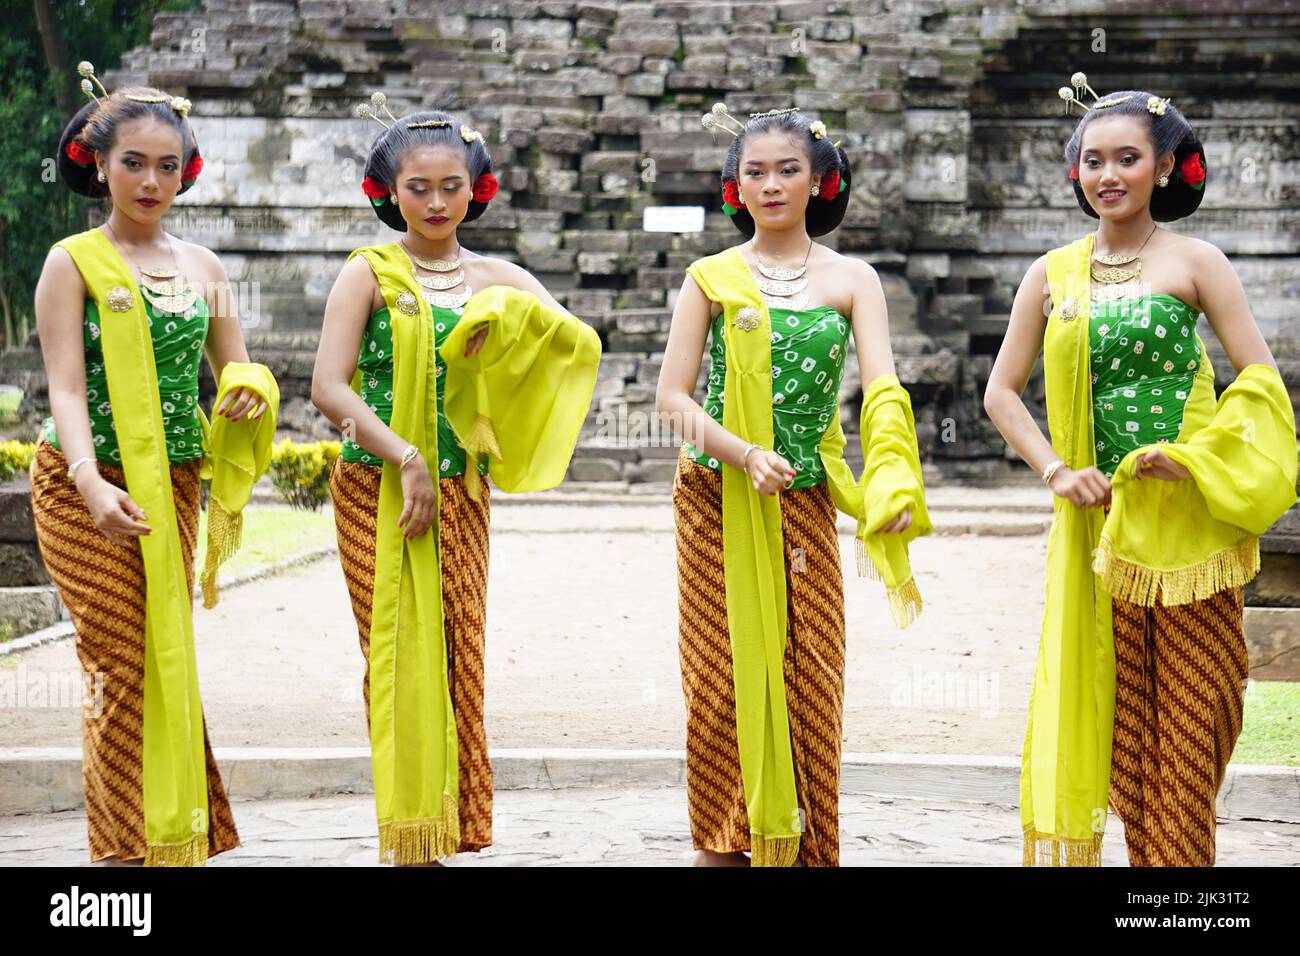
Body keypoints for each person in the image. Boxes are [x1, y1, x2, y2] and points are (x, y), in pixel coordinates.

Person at [984, 73, 1296, 866]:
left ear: (1164, 168)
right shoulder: (1051, 274)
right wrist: (1058, 471)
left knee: (1198, 717)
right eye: (1092, 160)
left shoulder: (1196, 261)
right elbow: (1000, 393)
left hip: (1190, 525)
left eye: (1127, 158)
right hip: (1098, 528)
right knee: (1122, 733)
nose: (1108, 175)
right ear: (1076, 173)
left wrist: (1194, 460)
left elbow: (1261, 386)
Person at [312, 93, 600, 866]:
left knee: (458, 652)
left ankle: (450, 824)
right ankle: (407, 834)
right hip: (378, 488)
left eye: (451, 186)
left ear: (477, 188)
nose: (436, 202)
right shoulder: (367, 274)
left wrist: (501, 345)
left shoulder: (499, 277)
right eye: (418, 188)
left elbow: (572, 349)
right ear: (388, 193)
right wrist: (405, 456)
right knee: (395, 651)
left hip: (460, 492)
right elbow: (329, 388)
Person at [655, 104, 932, 867]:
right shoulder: (709, 277)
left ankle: (805, 844)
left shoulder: (853, 280)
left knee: (809, 672)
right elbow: (671, 402)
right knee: (720, 675)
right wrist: (744, 454)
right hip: (716, 496)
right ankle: (721, 846)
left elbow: (883, 390)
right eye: (755, 172)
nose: (771, 184)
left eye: (788, 170)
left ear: (819, 181)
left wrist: (893, 477)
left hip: (803, 499)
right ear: (734, 186)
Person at [31, 61, 279, 866]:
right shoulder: (71, 262)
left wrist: (246, 396)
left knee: (164, 656)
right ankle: (120, 855)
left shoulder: (207, 270)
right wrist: (88, 480)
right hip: (85, 485)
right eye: (132, 162)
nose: (150, 180)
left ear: (186, 173)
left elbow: (235, 370)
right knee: (117, 659)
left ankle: (175, 834)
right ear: (97, 164)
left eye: (167, 165)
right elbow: (66, 388)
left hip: (172, 481)